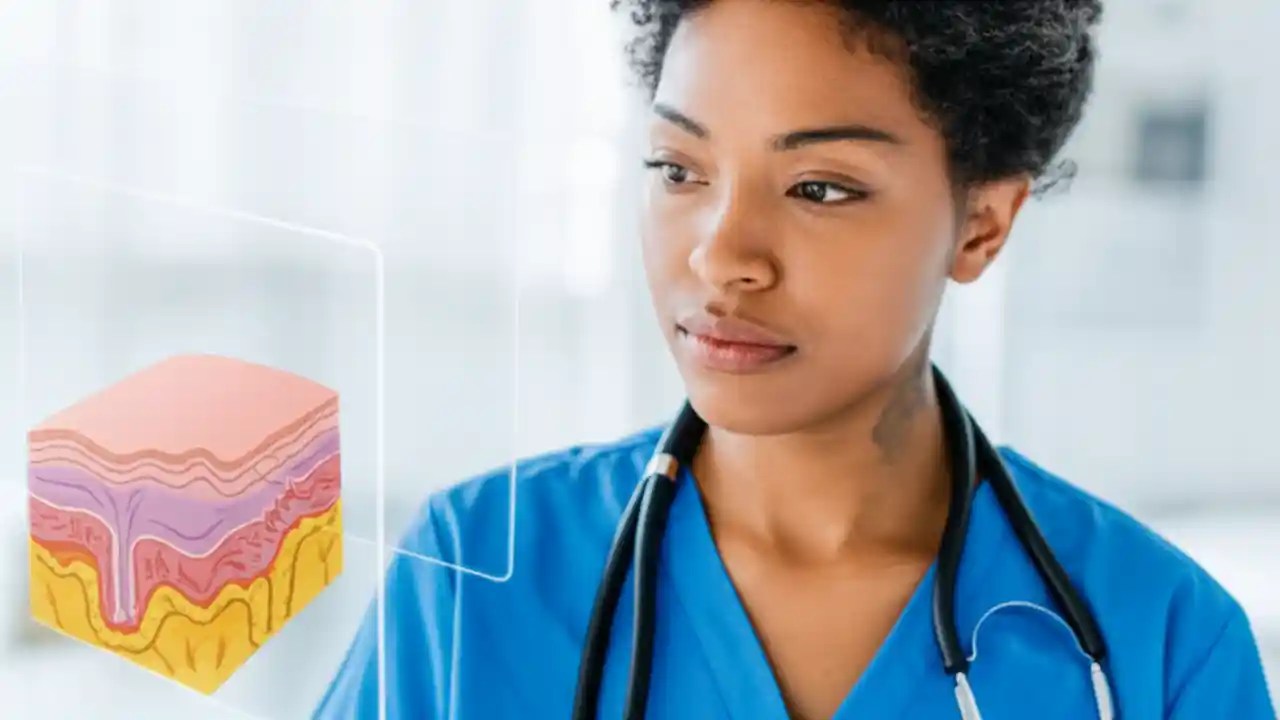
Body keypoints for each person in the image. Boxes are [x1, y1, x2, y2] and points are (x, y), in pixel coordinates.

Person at [315, 1, 1276, 718]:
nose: (722, 255)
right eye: (678, 170)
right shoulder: (475, 571)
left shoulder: (1159, 643)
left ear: (981, 225)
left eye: (818, 187)